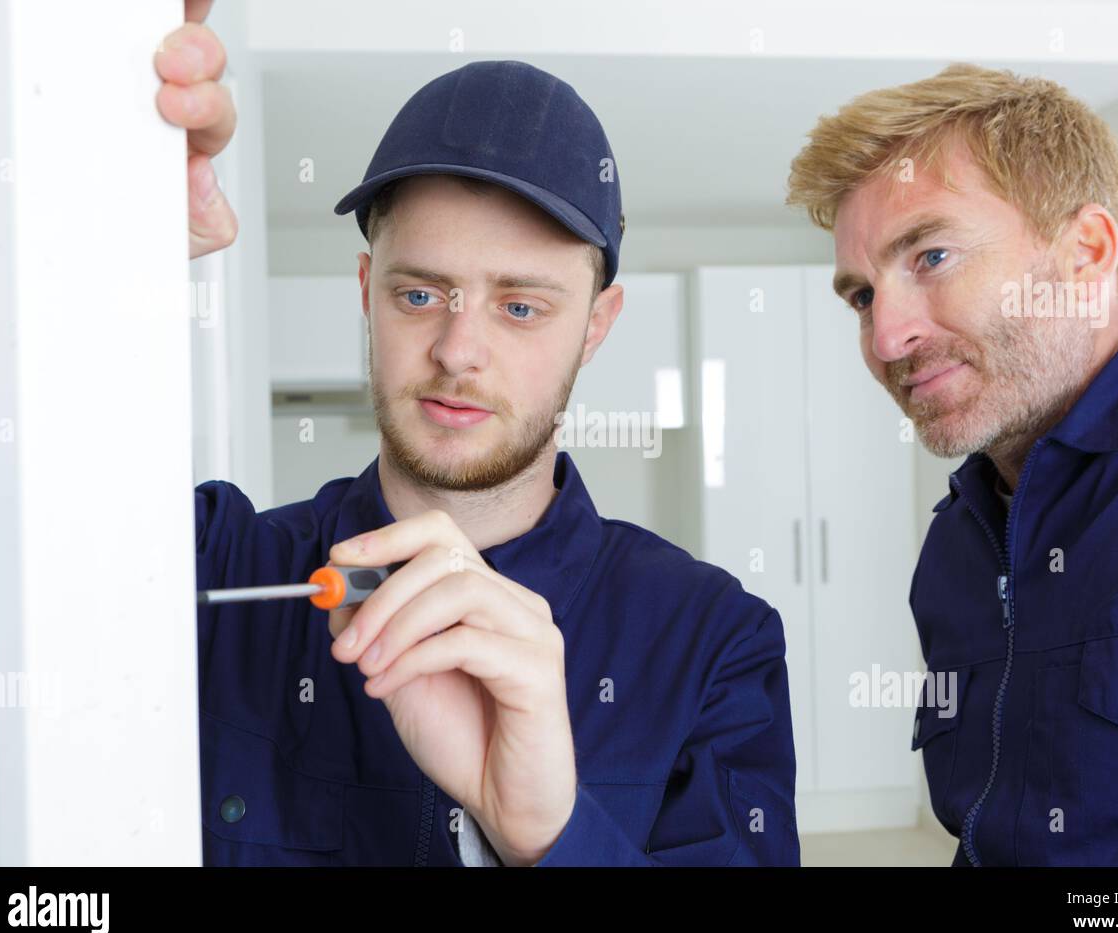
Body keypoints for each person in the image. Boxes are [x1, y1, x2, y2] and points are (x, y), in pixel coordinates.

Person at [155, 1, 799, 866]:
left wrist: (548, 838)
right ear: (365, 287)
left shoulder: (714, 639)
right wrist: (97, 264)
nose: (459, 351)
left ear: (598, 323)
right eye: (419, 294)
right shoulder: (217, 571)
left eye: (521, 306)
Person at [787, 62, 1118, 865]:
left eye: (931, 256)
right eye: (862, 296)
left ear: (1087, 252)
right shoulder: (955, 547)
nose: (886, 338)